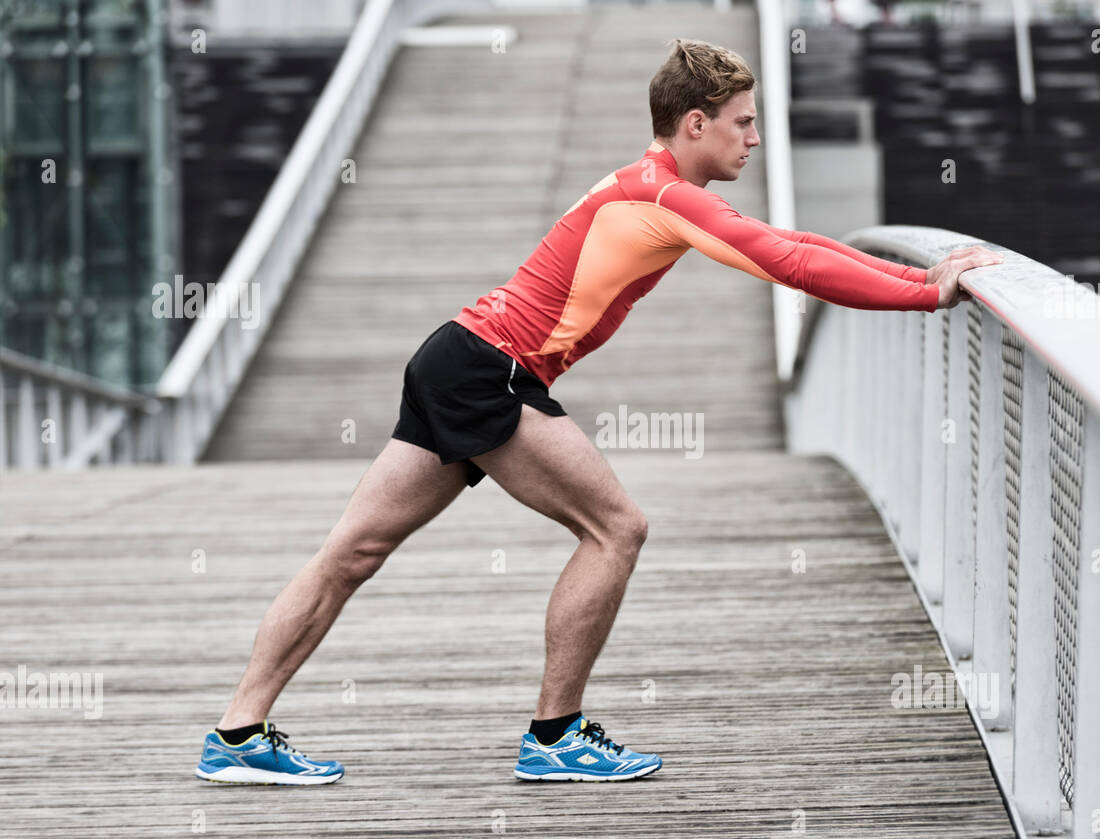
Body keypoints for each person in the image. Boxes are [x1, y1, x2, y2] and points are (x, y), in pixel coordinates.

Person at [194, 37, 1001, 786]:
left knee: (353, 552)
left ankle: (236, 737)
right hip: (489, 372)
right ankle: (554, 738)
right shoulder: (668, 197)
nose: (754, 139)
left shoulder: (648, 182)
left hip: (458, 357)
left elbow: (794, 243)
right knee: (616, 527)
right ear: (696, 122)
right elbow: (787, 262)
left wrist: (912, 280)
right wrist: (926, 294)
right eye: (742, 123)